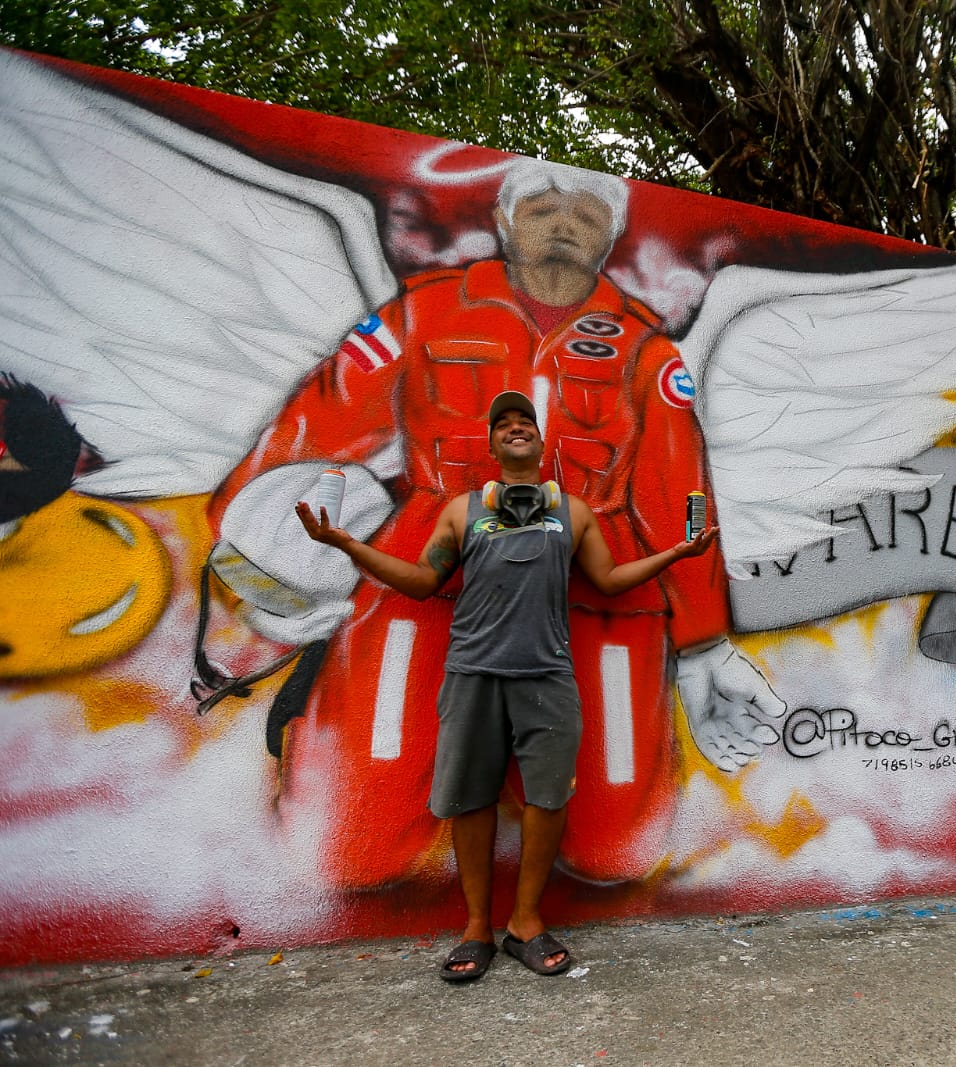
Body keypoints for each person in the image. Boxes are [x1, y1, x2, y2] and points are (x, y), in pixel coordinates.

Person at [206, 158, 782, 890]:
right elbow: (318, 415)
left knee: (616, 852)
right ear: (505, 222)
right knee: (343, 849)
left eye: (587, 213)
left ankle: (526, 772)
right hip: (437, 554)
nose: (565, 222)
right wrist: (252, 535)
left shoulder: (646, 351)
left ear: (610, 237)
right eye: (543, 206)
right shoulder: (423, 312)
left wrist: (702, 646)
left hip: (591, 573)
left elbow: (685, 498)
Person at [296, 389, 718, 981]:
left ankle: (524, 921)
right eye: (504, 424)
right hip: (472, 675)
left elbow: (610, 579)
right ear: (492, 445)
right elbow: (420, 582)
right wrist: (345, 544)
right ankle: (476, 930)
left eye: (526, 422)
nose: (516, 429)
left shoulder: (571, 513)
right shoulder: (460, 511)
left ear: (541, 445)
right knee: (471, 798)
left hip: (548, 676)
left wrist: (676, 551)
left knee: (548, 798)